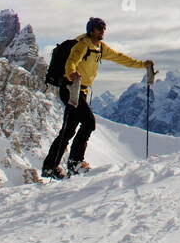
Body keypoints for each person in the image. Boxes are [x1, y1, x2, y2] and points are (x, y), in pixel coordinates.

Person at [41, 17, 152, 178]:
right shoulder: (83, 45)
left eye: (104, 28)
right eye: (99, 28)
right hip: (71, 88)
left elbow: (120, 57)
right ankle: (75, 162)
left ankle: (50, 167)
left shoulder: (100, 48)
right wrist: (71, 72)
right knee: (89, 122)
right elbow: (71, 61)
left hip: (81, 91)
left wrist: (142, 64)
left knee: (69, 130)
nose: (102, 31)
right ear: (91, 30)